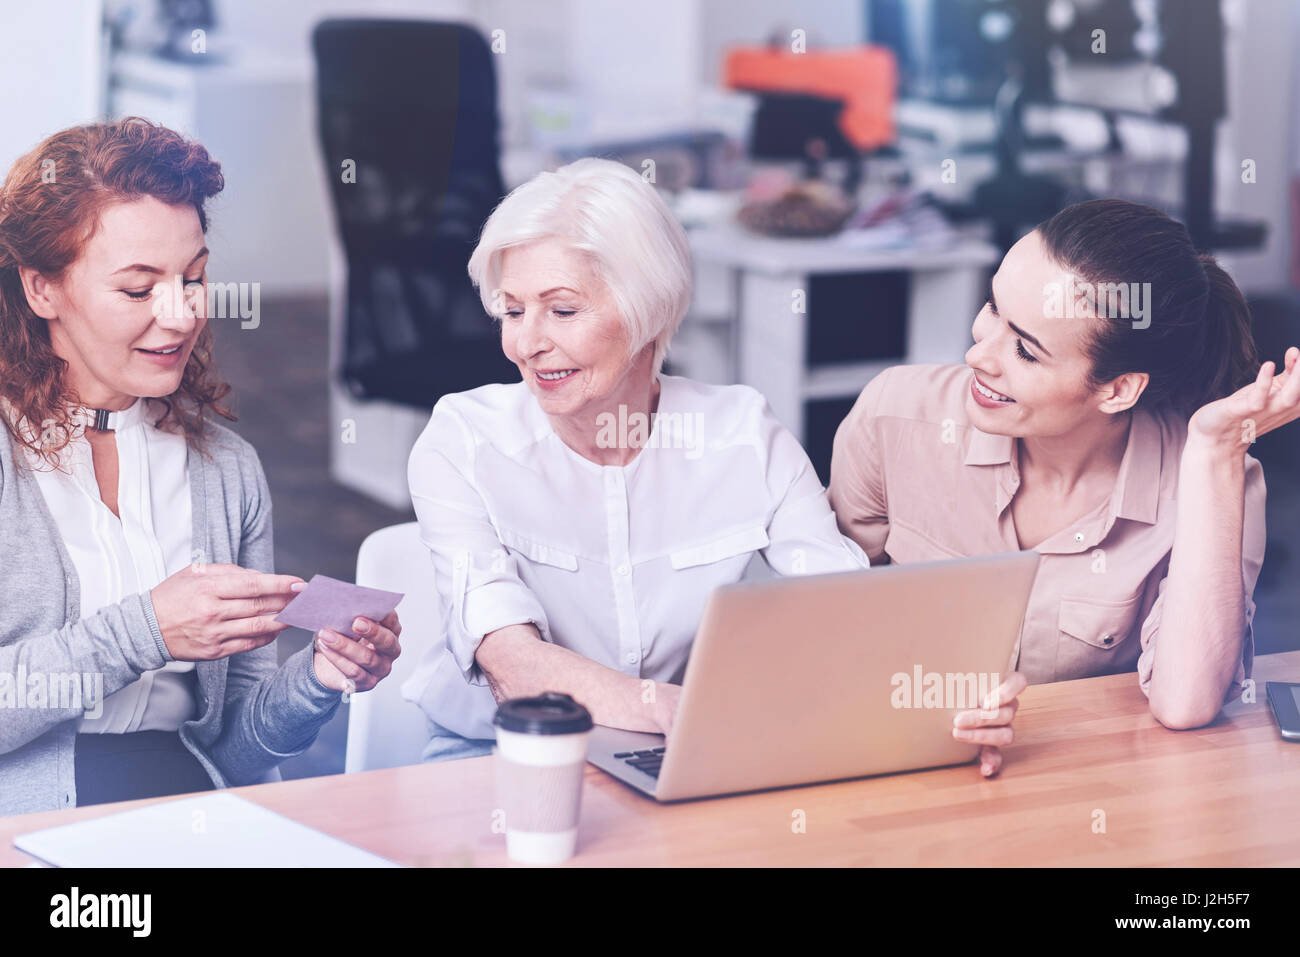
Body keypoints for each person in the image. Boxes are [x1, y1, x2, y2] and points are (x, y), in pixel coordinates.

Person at [403, 158, 1024, 775]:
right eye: (513, 311)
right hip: (496, 749)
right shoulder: (463, 442)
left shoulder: (741, 435)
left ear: (647, 308)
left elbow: (842, 613)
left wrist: (946, 707)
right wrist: (689, 712)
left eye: (562, 311)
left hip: (674, 749)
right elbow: (513, 666)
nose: (525, 343)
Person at [0, 118, 401, 814]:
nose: (183, 314)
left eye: (194, 277)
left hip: (189, 815)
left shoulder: (226, 470)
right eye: (137, 288)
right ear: (41, 289)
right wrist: (147, 629)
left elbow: (233, 746)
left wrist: (318, 675)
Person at [830, 198, 1300, 731]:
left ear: (1118, 389)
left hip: (1087, 790)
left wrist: (1215, 455)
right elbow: (820, 628)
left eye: (1026, 352)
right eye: (992, 308)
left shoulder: (1213, 480)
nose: (978, 356)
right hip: (897, 758)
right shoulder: (894, 416)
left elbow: (1186, 703)